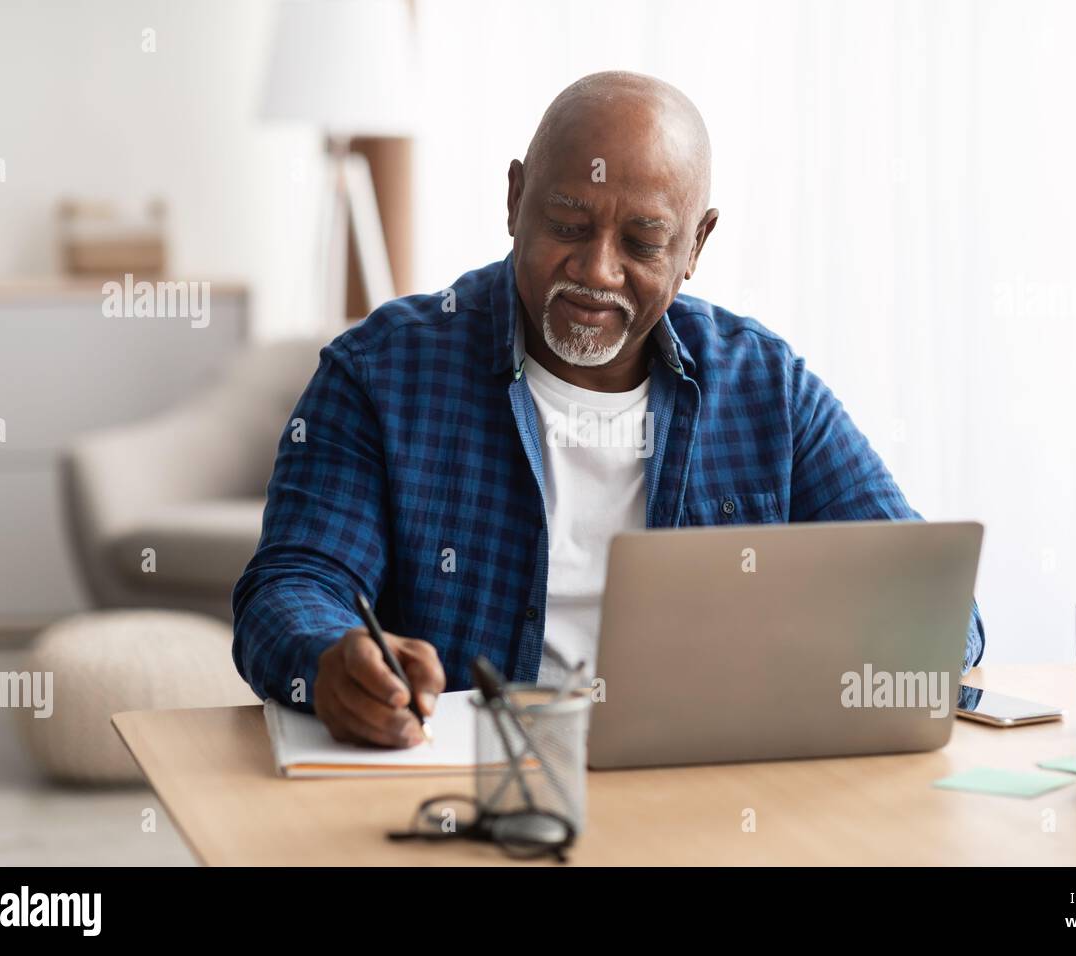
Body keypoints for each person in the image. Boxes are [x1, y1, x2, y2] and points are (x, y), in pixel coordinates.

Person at [232, 71, 985, 747]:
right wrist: (333, 659)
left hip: (705, 790)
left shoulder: (767, 390)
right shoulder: (381, 372)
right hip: (477, 795)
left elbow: (937, 615)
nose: (597, 270)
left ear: (696, 247)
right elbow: (292, 585)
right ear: (515, 199)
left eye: (643, 241)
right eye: (567, 223)